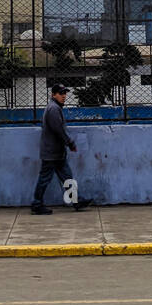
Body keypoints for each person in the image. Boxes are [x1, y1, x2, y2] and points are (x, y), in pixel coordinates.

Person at [31, 83, 94, 215]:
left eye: (65, 93)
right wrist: (70, 143)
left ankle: (76, 201)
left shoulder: (54, 107)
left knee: (67, 177)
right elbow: (59, 130)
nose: (64, 96)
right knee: (45, 178)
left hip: (56, 152)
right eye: (61, 93)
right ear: (53, 95)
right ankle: (37, 204)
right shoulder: (53, 109)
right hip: (51, 152)